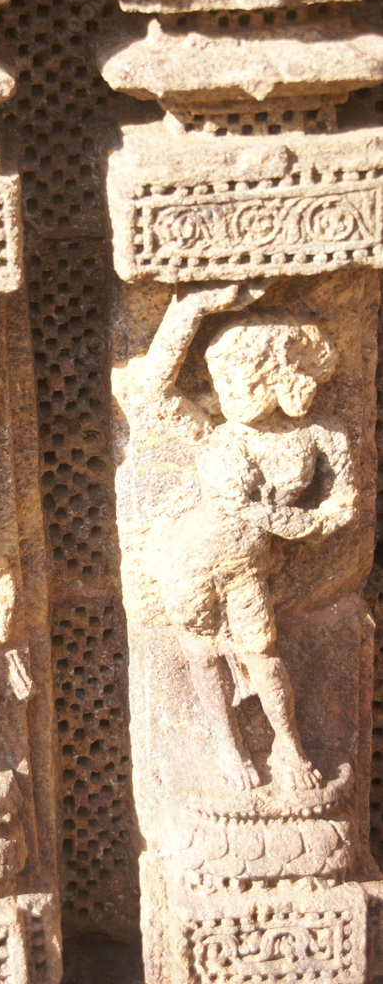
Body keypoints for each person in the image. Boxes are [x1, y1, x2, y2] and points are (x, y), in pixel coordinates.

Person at [144, 283, 356, 793]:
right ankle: (226, 744)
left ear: (284, 379)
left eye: (242, 381)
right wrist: (189, 310)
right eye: (223, 381)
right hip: (190, 558)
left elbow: (345, 502)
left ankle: (289, 744)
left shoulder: (322, 435)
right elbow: (153, 390)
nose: (227, 392)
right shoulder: (215, 434)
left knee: (263, 650)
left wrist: (319, 521)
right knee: (204, 653)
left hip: (247, 565)